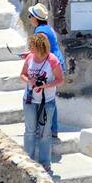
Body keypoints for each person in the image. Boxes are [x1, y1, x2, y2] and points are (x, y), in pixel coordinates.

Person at [20, 32, 64, 174]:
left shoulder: (52, 60)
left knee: (45, 133)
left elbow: (60, 79)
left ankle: (45, 162)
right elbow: (23, 74)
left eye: (31, 46)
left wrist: (46, 85)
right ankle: (28, 160)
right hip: (30, 99)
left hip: (46, 101)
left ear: (39, 47)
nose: (29, 49)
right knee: (30, 131)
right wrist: (30, 81)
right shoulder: (29, 58)